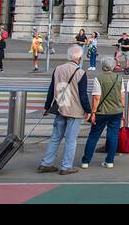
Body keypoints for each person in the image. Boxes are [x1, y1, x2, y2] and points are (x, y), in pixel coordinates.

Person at [38, 44, 92, 175]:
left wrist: (47, 107)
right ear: (79, 58)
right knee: (71, 140)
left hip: (60, 107)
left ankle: (46, 163)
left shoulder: (58, 69)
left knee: (55, 137)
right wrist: (88, 111)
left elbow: (51, 90)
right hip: (74, 110)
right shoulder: (81, 73)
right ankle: (66, 166)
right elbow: (83, 95)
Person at [81, 56, 124, 169]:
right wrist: (122, 109)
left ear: (102, 66)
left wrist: (93, 112)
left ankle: (86, 161)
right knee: (113, 136)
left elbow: (96, 97)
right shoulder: (119, 78)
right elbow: (122, 96)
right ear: (113, 66)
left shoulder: (98, 78)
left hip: (101, 112)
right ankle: (109, 161)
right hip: (116, 111)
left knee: (94, 136)